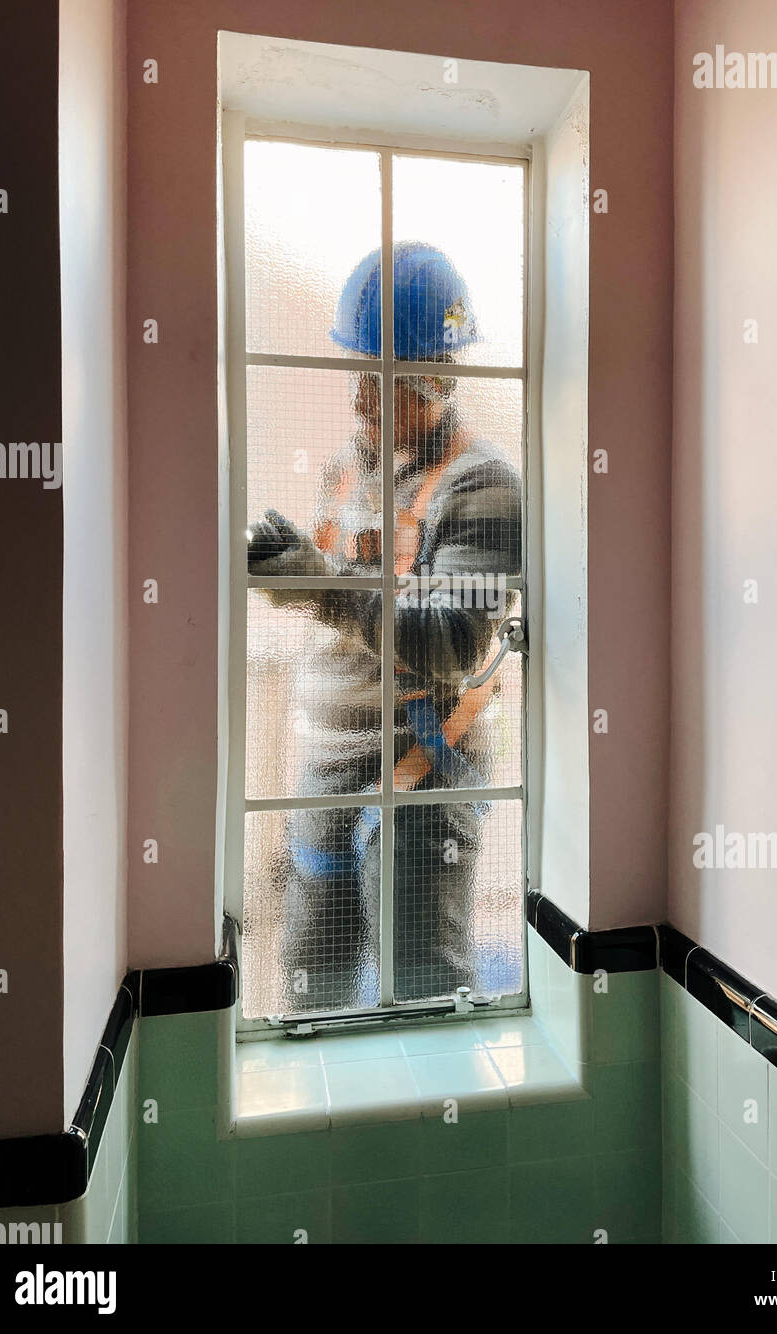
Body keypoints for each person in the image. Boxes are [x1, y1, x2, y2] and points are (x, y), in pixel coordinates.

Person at [248, 241, 522, 1011]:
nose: (361, 399)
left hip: (417, 769)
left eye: (383, 380)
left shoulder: (482, 487)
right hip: (325, 772)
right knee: (313, 996)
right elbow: (337, 600)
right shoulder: (346, 466)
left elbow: (450, 646)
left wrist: (323, 586)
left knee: (425, 998)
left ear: (438, 377)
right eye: (356, 375)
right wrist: (289, 570)